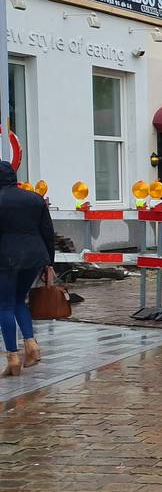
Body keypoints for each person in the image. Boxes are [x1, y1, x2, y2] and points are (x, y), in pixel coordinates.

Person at [0, 160, 55, 376]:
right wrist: (48, 262)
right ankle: (31, 346)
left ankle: (13, 358)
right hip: (34, 256)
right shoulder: (35, 198)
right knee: (18, 300)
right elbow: (47, 232)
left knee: (4, 306)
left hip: (5, 259)